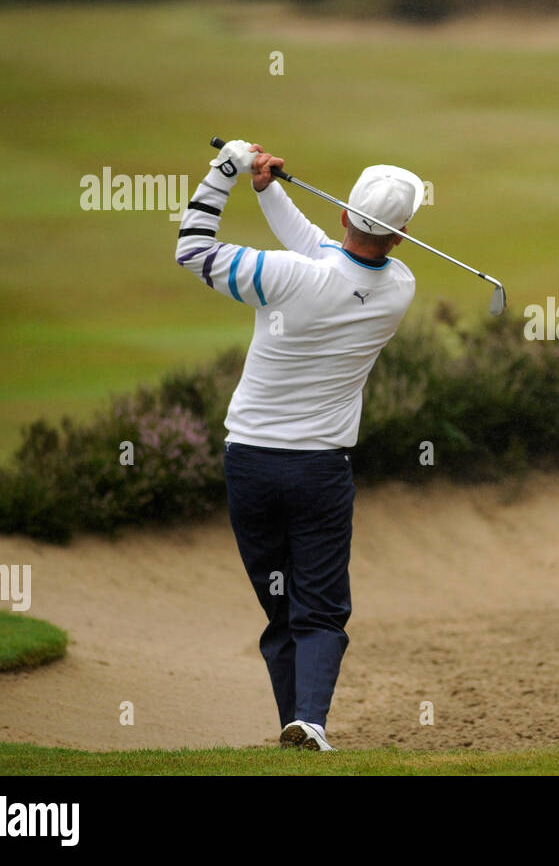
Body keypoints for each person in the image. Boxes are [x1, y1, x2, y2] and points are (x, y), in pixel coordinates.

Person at [175, 139, 422, 751]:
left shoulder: (281, 276)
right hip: (320, 475)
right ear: (402, 236)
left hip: (250, 466)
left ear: (344, 214)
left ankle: (299, 724)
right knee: (321, 607)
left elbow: (192, 249)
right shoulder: (399, 288)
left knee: (281, 607)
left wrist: (225, 170)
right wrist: (269, 191)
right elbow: (332, 261)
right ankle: (307, 721)